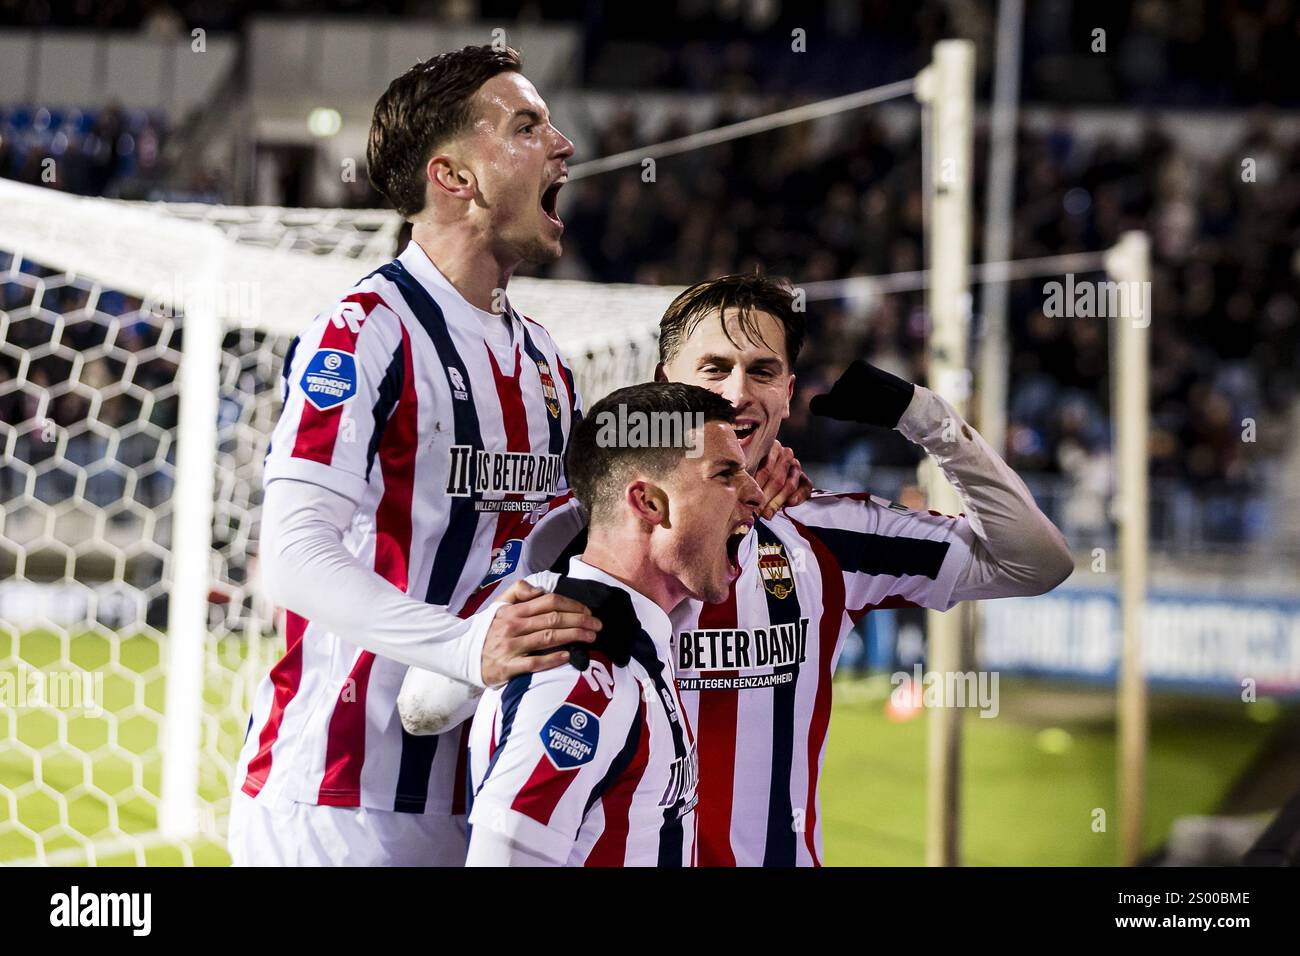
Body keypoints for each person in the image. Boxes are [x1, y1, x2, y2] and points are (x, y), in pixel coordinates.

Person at [404, 272, 1074, 866]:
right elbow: (422, 706)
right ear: (665, 386)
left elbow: (1034, 562)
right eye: (713, 368)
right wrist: (512, 629)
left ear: (787, 391)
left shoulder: (829, 535)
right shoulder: (582, 533)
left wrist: (927, 420)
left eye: (761, 371)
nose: (735, 392)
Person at [229, 45, 602, 866]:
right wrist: (466, 647)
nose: (562, 144)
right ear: (454, 177)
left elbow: (549, 541)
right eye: (527, 126)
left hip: (475, 795)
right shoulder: (365, 331)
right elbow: (293, 558)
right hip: (336, 804)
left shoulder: (544, 361)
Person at [464, 382, 763, 866]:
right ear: (649, 504)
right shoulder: (579, 669)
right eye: (726, 473)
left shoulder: (631, 637)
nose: (754, 494)